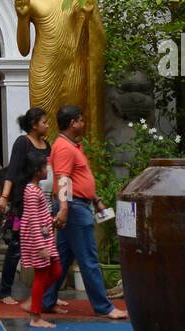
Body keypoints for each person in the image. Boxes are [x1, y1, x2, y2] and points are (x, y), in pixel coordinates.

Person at [42, 104, 127, 319]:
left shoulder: (71, 145)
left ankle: (46, 300)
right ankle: (103, 307)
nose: (83, 123)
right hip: (74, 208)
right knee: (88, 259)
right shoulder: (64, 147)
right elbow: (63, 180)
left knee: (62, 257)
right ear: (72, 123)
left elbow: (77, 179)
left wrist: (96, 200)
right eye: (80, 120)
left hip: (77, 205)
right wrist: (63, 208)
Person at [0, 107, 51, 305]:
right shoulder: (22, 143)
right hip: (22, 201)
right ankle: (4, 291)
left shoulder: (47, 145)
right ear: (34, 125)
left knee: (46, 244)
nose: (47, 125)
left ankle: (49, 294)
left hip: (43, 201)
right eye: (44, 122)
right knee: (16, 247)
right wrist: (4, 197)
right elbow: (13, 171)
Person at [20, 150, 61, 330]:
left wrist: (50, 220)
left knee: (56, 270)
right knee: (42, 274)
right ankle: (35, 316)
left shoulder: (35, 189)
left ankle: (33, 302)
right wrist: (40, 245)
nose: (47, 170)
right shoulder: (31, 191)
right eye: (45, 166)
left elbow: (39, 216)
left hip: (45, 238)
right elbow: (33, 220)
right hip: (40, 240)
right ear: (37, 170)